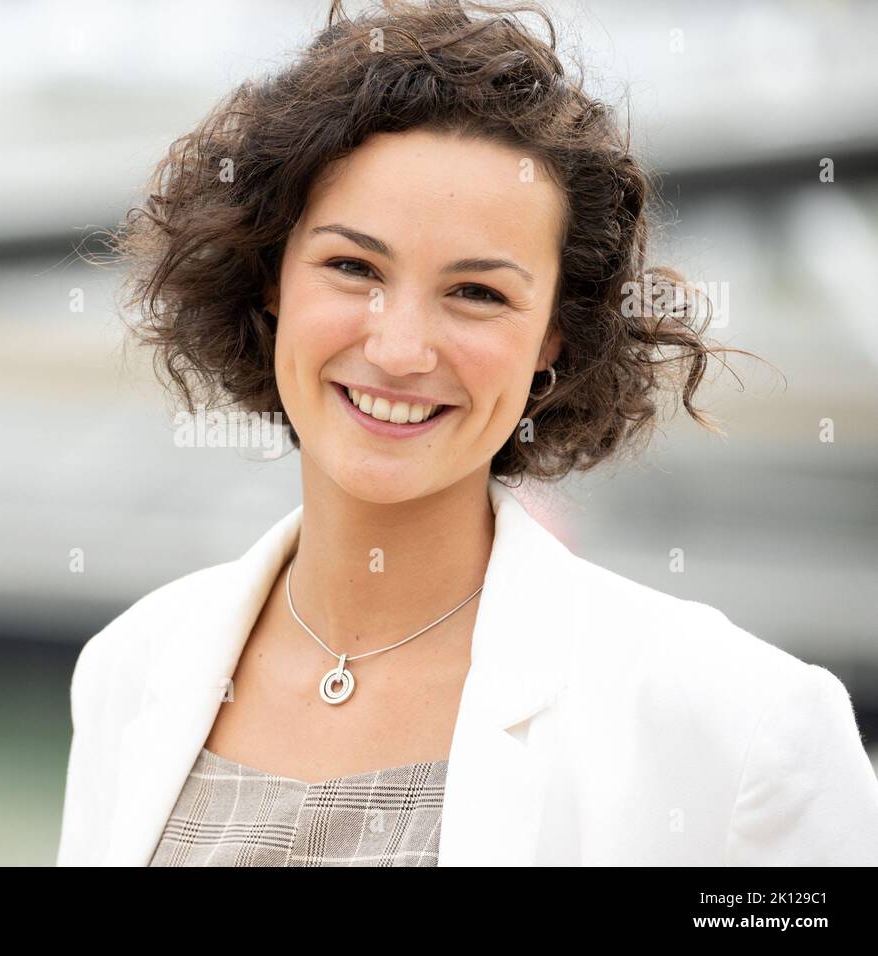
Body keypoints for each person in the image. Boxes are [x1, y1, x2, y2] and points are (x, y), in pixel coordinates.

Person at [55, 0, 878, 866]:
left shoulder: (743, 728)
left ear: (554, 336)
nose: (400, 349)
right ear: (270, 281)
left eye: (477, 293)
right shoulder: (131, 668)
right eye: (352, 267)